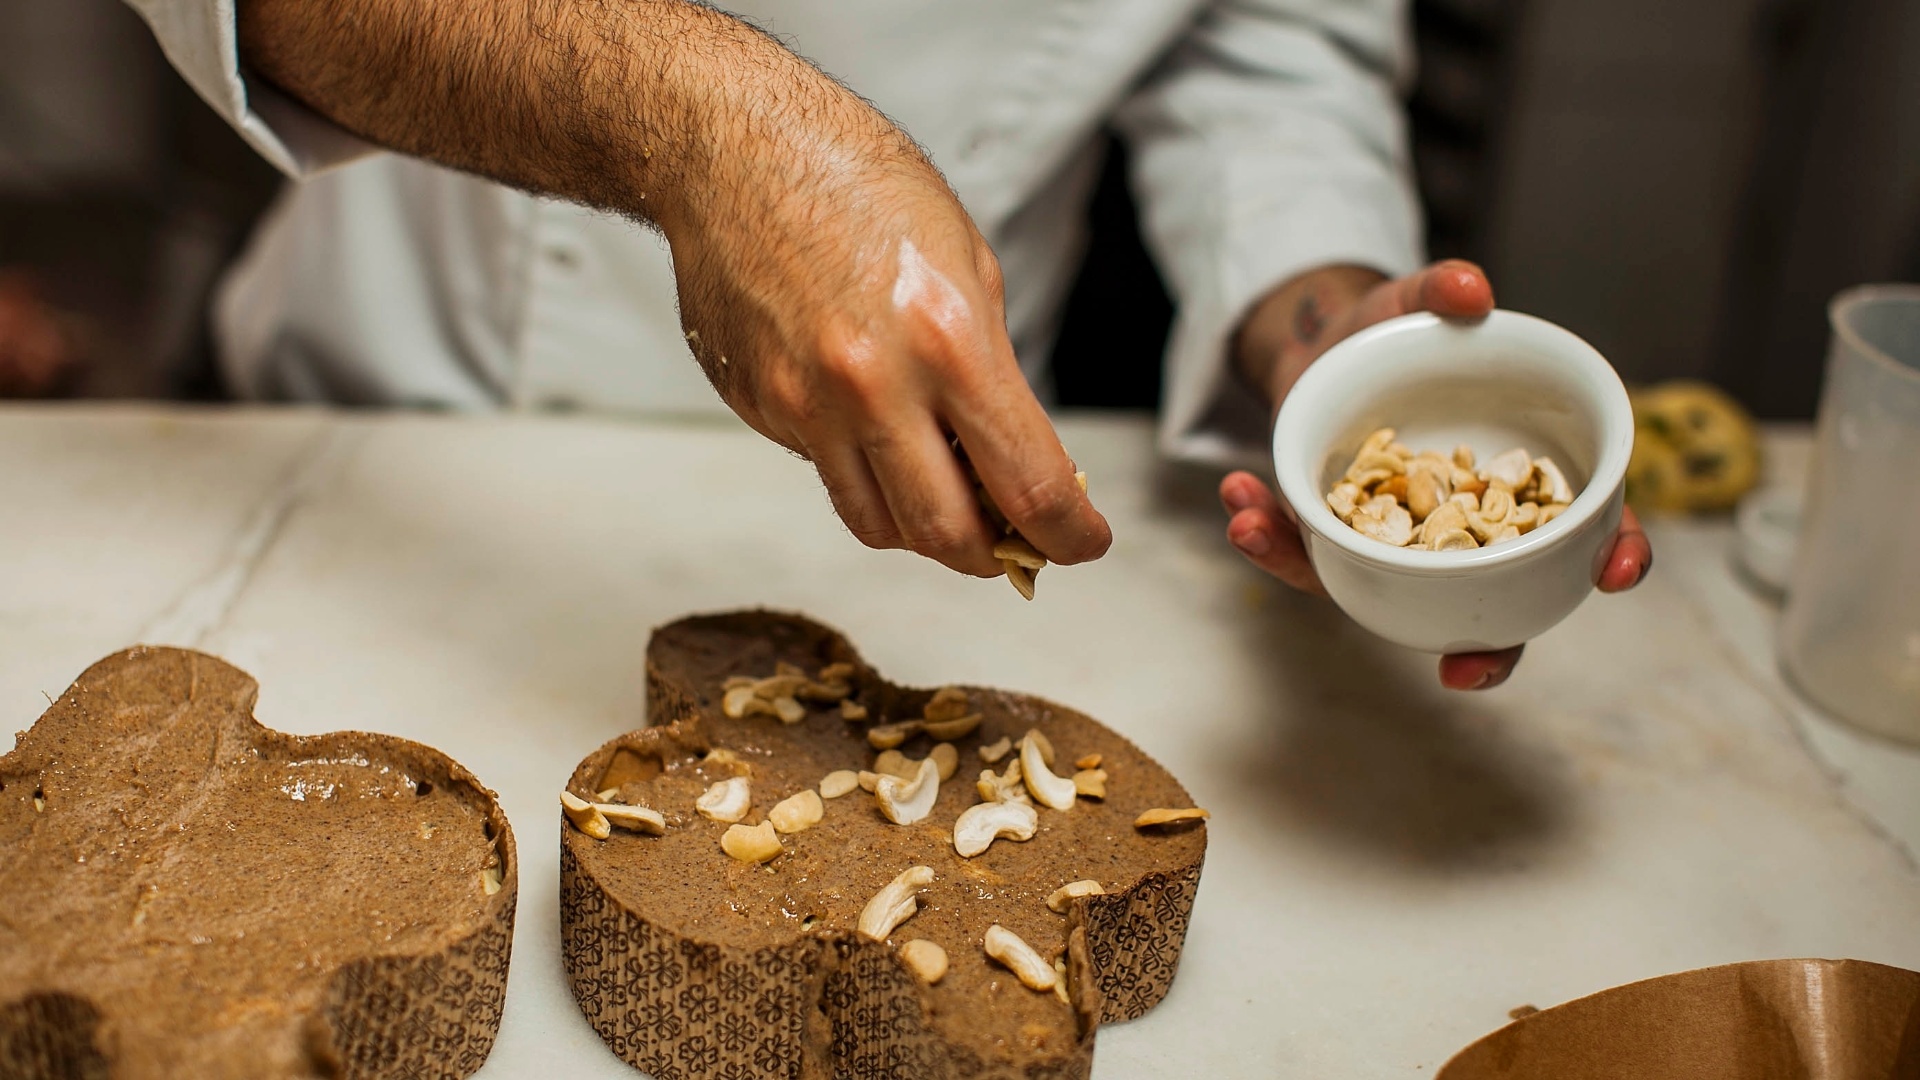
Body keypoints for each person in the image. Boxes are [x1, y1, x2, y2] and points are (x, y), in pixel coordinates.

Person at [122, 0, 1650, 689]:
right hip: (387, 430)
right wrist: (715, 132)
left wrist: (1334, 348)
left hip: (925, 524)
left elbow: (1271, 48)